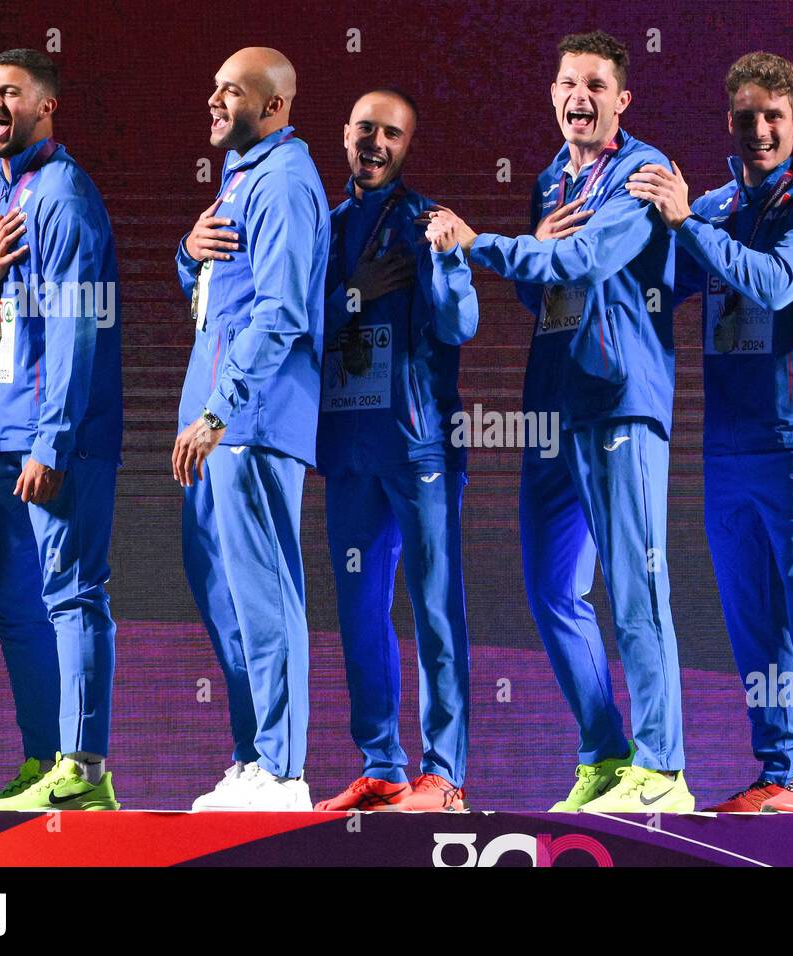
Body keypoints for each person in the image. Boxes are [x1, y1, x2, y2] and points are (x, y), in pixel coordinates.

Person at [428, 30, 693, 813]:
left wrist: (485, 244)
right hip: (551, 405)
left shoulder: (642, 174)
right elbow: (540, 288)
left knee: (637, 589)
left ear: (622, 99)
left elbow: (580, 266)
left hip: (619, 401)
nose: (581, 96)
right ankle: (606, 753)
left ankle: (664, 769)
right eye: (569, 83)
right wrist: (525, 249)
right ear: (553, 94)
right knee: (551, 589)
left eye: (597, 84)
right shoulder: (550, 179)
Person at [628, 51, 793, 813]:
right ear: (729, 119)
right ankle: (777, 764)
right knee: (751, 613)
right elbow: (662, 283)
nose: (761, 130)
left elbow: (772, 282)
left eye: (775, 117)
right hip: (726, 444)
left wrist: (686, 221)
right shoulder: (719, 206)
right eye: (748, 116)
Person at [0, 48, 123, 811]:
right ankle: (41, 761)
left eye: (11, 93)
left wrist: (52, 442)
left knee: (72, 596)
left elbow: (77, 330)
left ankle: (85, 771)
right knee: (16, 606)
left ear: (45, 108)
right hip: (6, 437)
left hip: (56, 440)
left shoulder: (62, 195)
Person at [312, 89, 479, 812]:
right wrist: (353, 292)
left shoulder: (427, 222)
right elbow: (293, 325)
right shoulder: (322, 225)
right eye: (364, 130)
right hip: (348, 444)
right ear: (344, 135)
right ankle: (382, 765)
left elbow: (461, 322)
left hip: (419, 447)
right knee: (359, 610)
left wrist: (443, 262)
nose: (375, 143)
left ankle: (443, 775)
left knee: (435, 608)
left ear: (408, 146)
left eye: (391, 133)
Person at [173, 47, 330, 811]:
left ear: (272, 108)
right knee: (226, 598)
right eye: (213, 85)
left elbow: (280, 312)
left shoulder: (289, 182)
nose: (212, 100)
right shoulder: (244, 176)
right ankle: (252, 758)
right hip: (213, 422)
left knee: (264, 596)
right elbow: (219, 290)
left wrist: (218, 410)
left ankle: (284, 770)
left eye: (228, 91)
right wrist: (184, 250)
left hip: (250, 419)